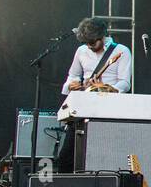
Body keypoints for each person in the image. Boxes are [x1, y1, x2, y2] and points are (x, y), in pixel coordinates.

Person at [55, 18, 131, 170]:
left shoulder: (121, 51)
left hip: (109, 109)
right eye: (86, 43)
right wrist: (71, 85)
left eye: (92, 43)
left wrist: (106, 89)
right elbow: (73, 75)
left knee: (100, 155)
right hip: (82, 108)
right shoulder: (81, 51)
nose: (89, 46)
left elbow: (125, 83)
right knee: (66, 157)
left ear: (102, 36)